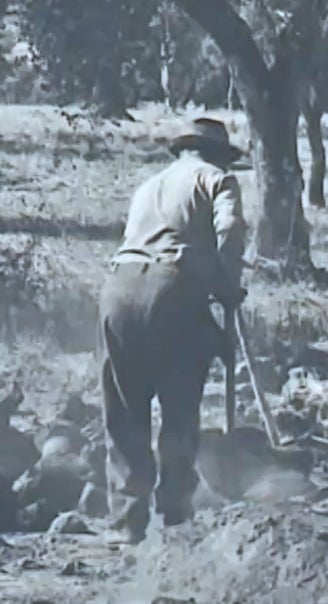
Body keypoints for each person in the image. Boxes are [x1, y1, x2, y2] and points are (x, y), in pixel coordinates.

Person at [101, 118, 246, 546]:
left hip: (118, 289)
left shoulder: (149, 185)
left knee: (125, 410)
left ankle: (127, 522)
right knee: (180, 403)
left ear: (184, 148)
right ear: (216, 153)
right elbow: (231, 230)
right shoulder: (218, 179)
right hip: (173, 287)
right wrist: (227, 286)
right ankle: (175, 514)